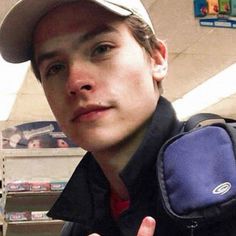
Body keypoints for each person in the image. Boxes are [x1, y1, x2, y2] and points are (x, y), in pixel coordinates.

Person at [1, 1, 235, 236]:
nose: (75, 82)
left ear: (156, 59)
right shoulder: (76, 228)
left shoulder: (230, 167)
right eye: (55, 68)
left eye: (101, 49)